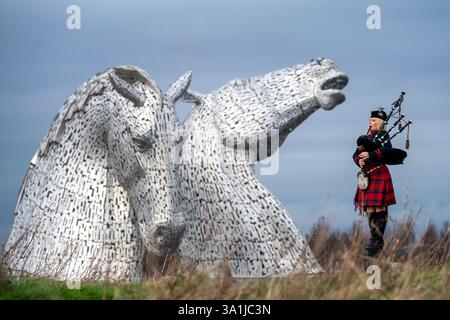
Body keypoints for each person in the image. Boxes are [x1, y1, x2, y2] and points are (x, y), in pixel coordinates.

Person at [353, 109, 396, 257]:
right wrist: (359, 160)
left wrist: (370, 154)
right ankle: (374, 239)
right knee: (370, 209)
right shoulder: (364, 138)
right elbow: (355, 155)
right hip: (367, 177)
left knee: (380, 209)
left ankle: (378, 241)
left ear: (379, 123)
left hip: (379, 173)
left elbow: (387, 150)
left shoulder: (383, 135)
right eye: (370, 120)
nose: (370, 122)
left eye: (373, 120)